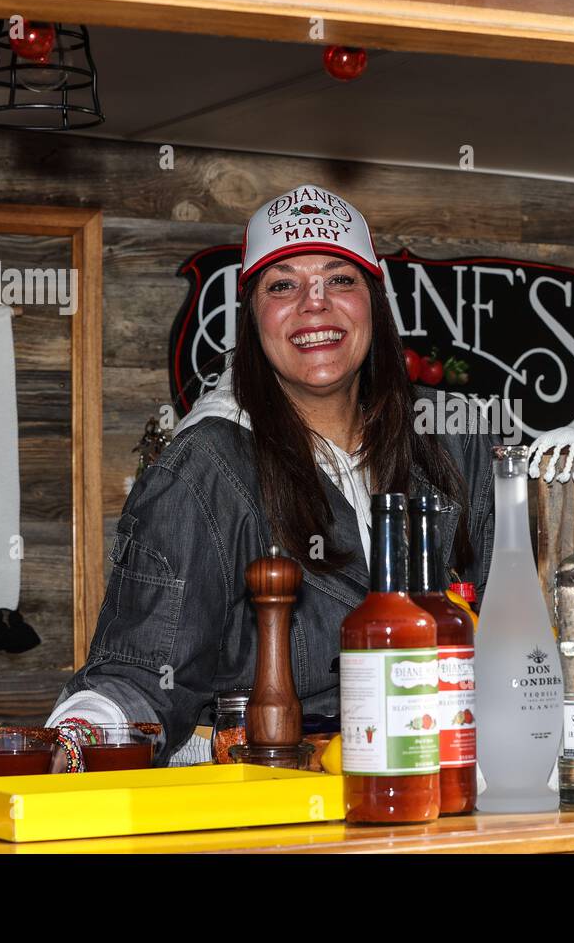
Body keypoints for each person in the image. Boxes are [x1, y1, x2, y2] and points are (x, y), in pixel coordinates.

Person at [48, 184, 498, 764]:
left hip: (447, 794)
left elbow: (511, 637)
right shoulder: (208, 465)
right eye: (282, 285)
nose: (314, 303)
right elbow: (140, 673)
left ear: (374, 303)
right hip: (269, 804)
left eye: (340, 279)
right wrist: (68, 744)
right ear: (252, 314)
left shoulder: (450, 454)